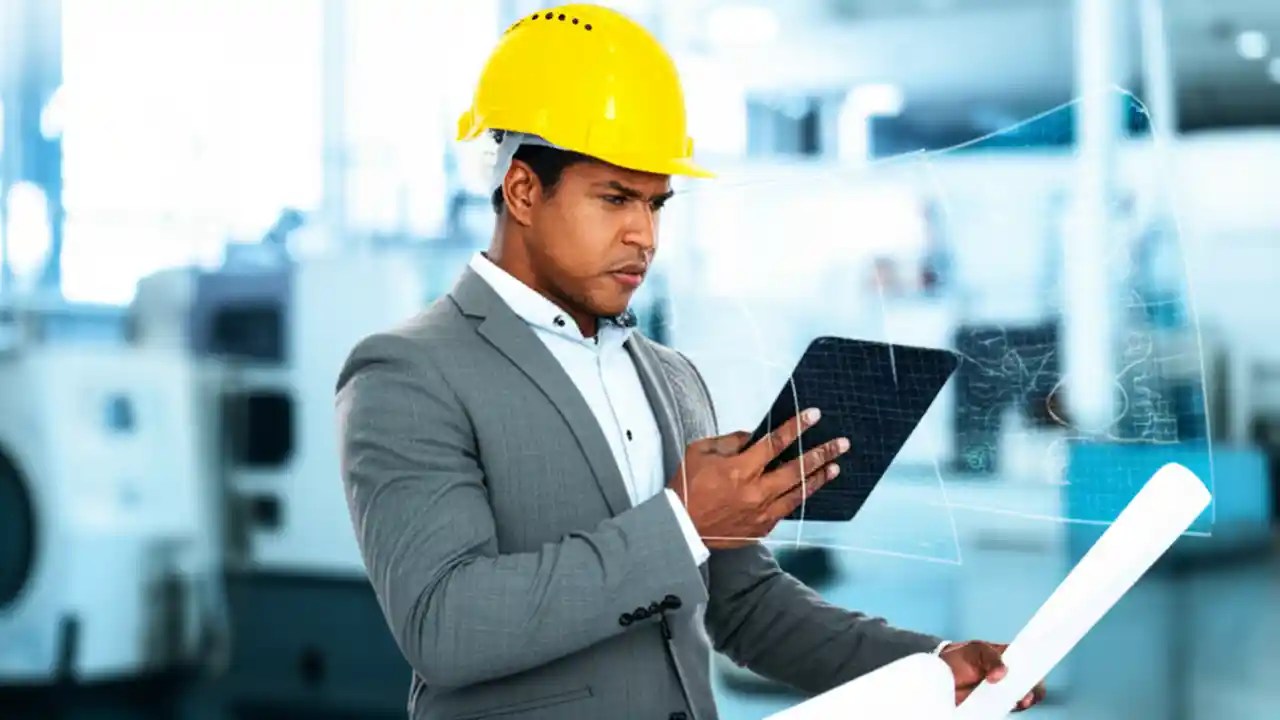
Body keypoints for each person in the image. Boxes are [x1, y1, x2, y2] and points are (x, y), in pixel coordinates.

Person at [335, 5, 1045, 719]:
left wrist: (924, 665)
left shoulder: (670, 378)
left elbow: (744, 606)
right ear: (523, 190)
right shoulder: (408, 373)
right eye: (614, 198)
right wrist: (682, 523)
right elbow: (447, 627)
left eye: (655, 204)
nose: (643, 234)